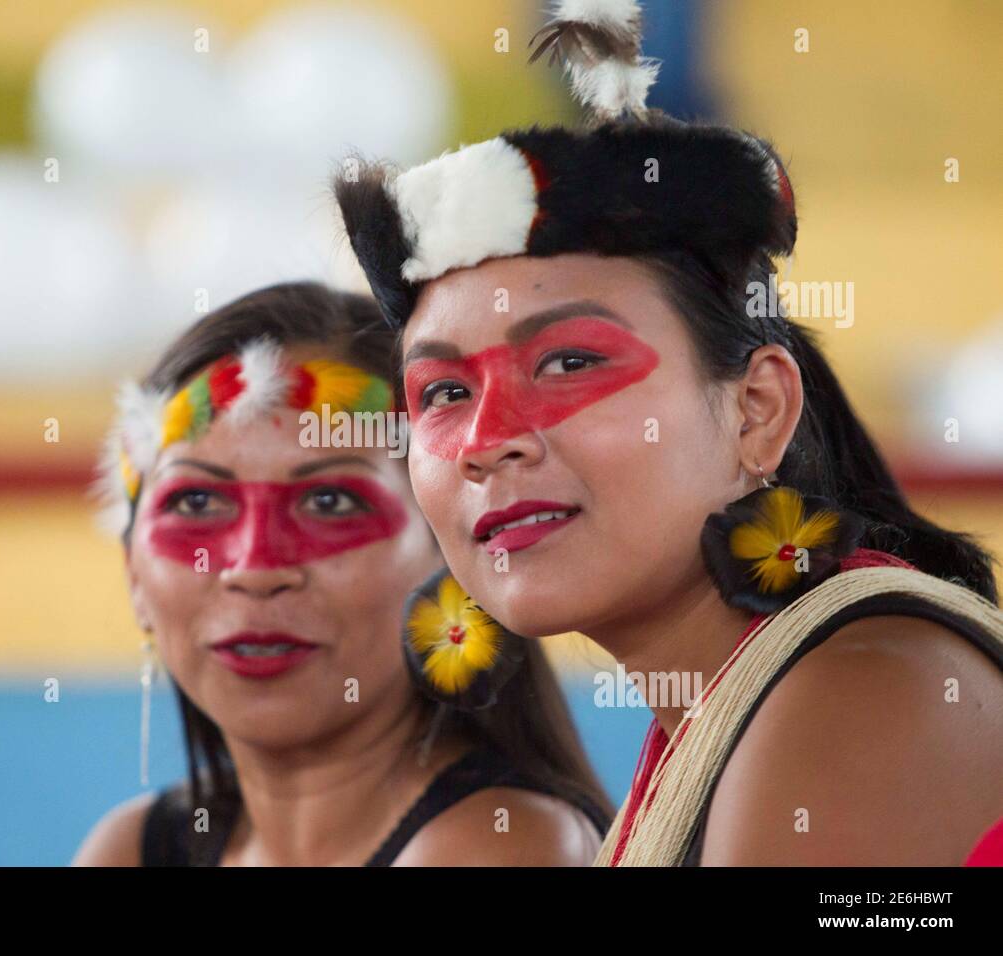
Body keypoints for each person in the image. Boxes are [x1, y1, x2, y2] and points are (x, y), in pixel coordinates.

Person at [334, 0, 1003, 865]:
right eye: (445, 391)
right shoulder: (746, 704)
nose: (487, 439)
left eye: (570, 363)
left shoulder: (861, 693)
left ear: (756, 411)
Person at [73, 282, 612, 866]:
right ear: (133, 574)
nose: (255, 568)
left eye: (329, 502)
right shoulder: (130, 848)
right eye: (197, 503)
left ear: (454, 556)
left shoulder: (502, 845)